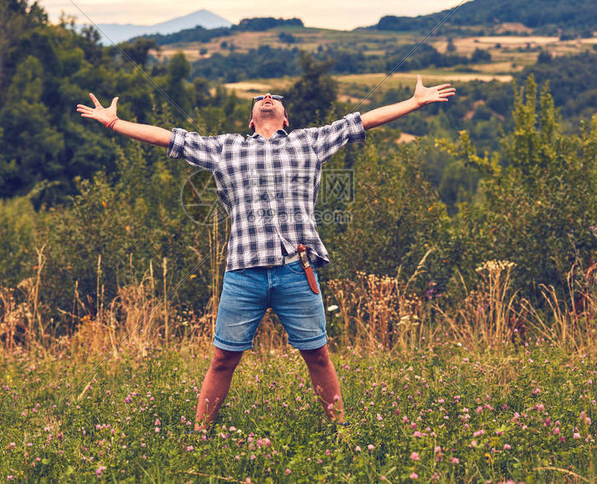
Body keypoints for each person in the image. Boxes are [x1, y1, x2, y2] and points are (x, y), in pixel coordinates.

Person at [76, 75, 455, 430]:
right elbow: (167, 138)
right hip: (244, 273)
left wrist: (414, 101)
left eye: (274, 98)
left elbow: (363, 120)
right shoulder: (226, 147)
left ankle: (342, 433)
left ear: (285, 118)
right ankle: (198, 435)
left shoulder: (309, 141)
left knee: (318, 355)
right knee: (223, 358)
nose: (267, 99)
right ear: (251, 117)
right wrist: (114, 123)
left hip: (297, 269)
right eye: (260, 98)